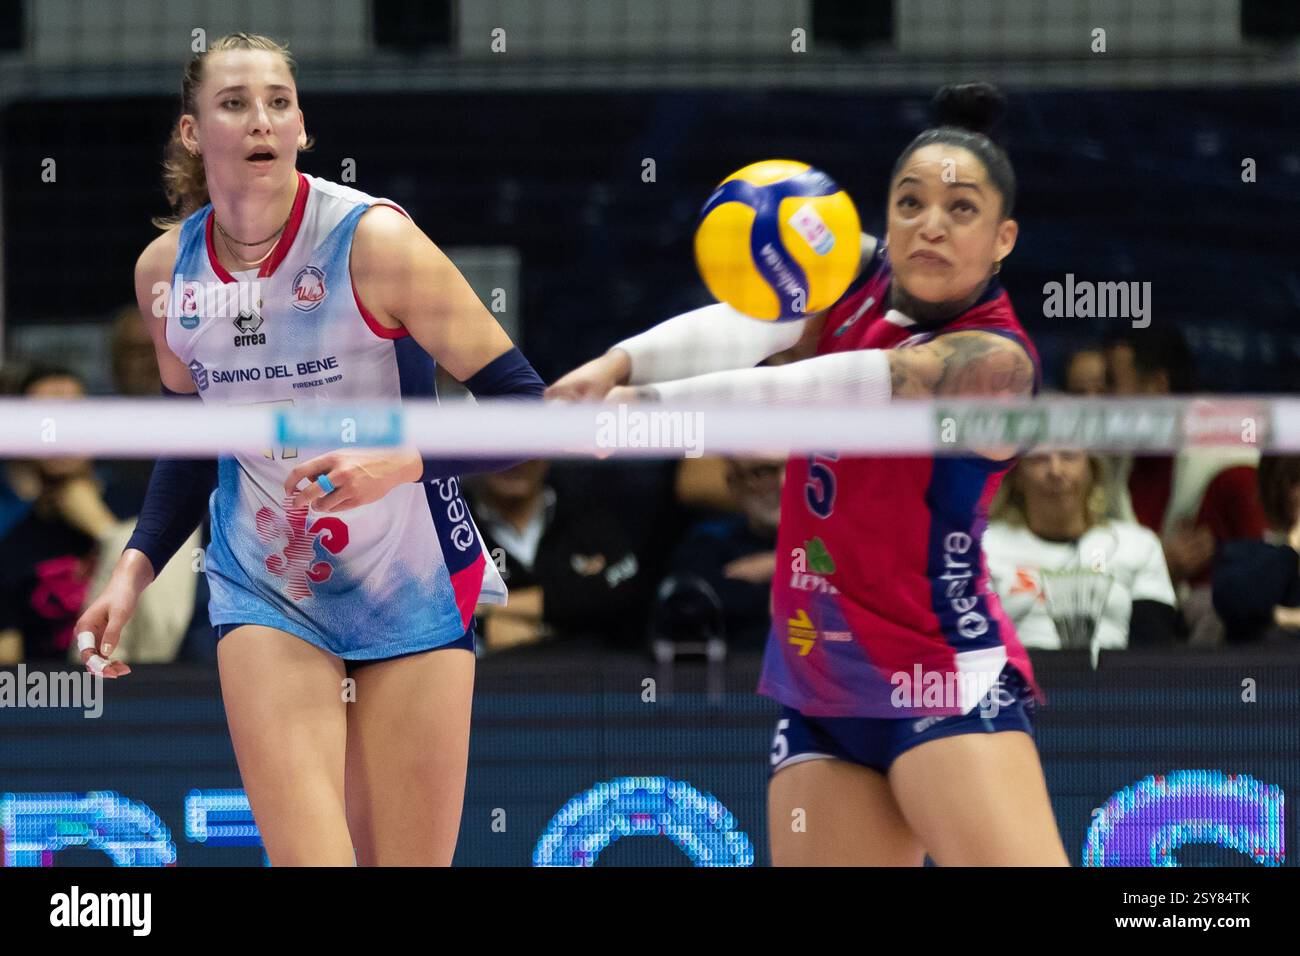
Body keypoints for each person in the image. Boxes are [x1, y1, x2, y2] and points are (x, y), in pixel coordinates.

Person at [549, 82, 1068, 865]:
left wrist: (647, 408)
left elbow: (817, 390)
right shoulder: (856, 274)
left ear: (1003, 239)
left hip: (938, 677)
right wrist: (615, 361)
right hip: (820, 680)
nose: (929, 225)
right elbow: (749, 322)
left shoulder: (991, 363)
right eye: (909, 203)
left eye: (961, 211)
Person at [74, 33, 545, 866]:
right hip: (269, 585)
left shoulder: (375, 244)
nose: (261, 118)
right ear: (192, 134)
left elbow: (526, 406)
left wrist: (400, 463)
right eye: (234, 103)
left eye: (278, 102)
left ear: (301, 127)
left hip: (414, 581)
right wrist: (135, 569)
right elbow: (193, 443)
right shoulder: (166, 276)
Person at [983, 450, 1178, 654]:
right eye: (1039, 459)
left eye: (1068, 457)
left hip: (1115, 682)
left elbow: (1152, 655)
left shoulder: (1138, 545)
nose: (1055, 471)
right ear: (1017, 476)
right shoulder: (984, 547)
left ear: (1092, 470)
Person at [467, 459, 651, 651]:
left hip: (602, 674)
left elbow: (627, 593)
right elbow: (443, 618)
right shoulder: (447, 528)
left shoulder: (589, 506)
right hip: (493, 678)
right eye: (496, 447)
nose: (512, 461)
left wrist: (487, 607)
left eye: (524, 444)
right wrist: (572, 620)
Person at [668, 455, 784, 648]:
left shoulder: (839, 540)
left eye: (798, 470)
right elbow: (694, 604)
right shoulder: (709, 542)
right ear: (734, 484)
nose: (784, 482)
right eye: (765, 472)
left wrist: (780, 564)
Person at [1212, 455, 1300, 643]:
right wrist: (1292, 546)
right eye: (1296, 482)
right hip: (1272, 667)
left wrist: (1282, 617)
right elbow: (1238, 607)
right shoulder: (1246, 555)